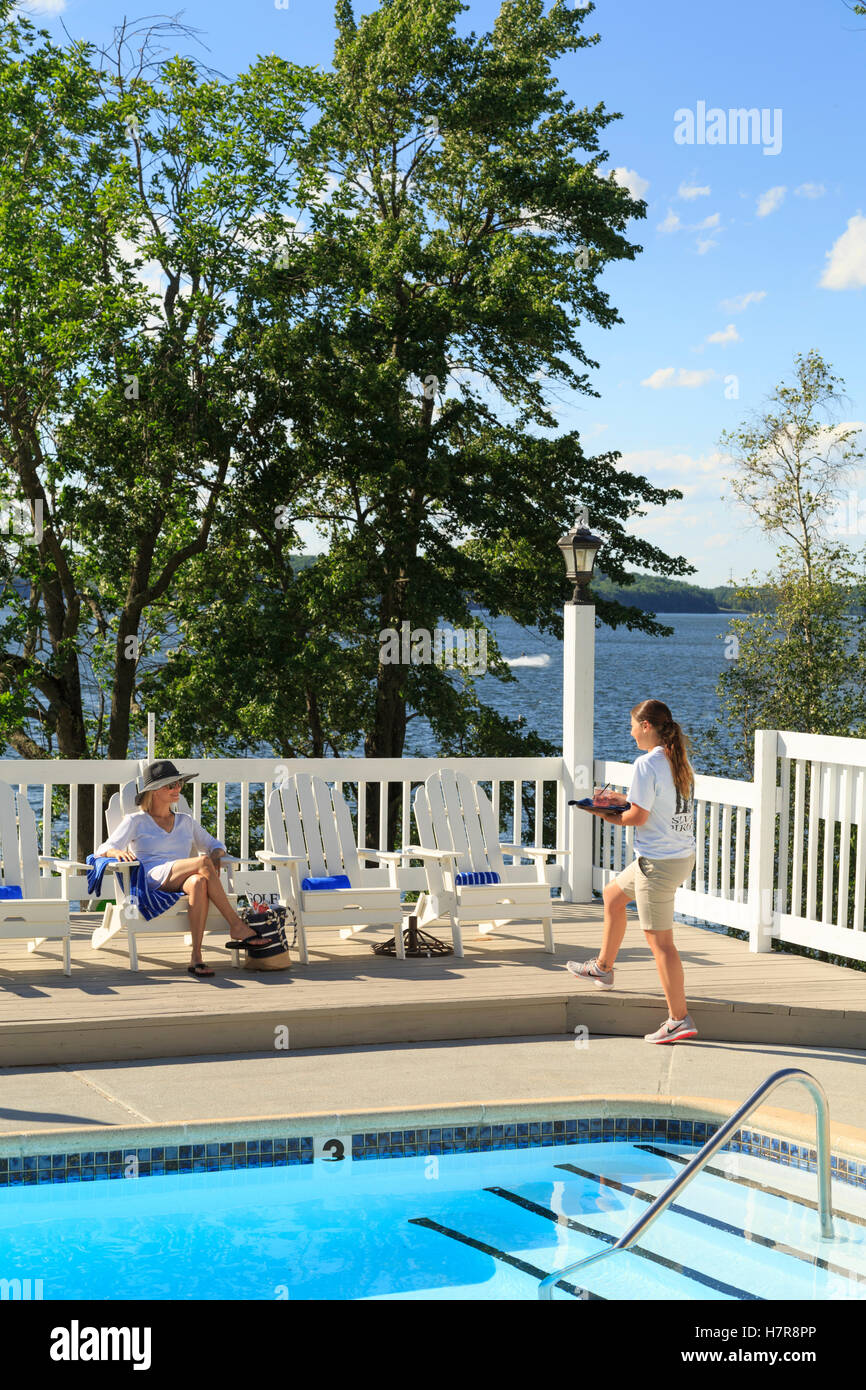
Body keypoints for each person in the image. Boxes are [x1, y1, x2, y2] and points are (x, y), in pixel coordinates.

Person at [566, 700, 698, 1043]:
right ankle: (603, 969)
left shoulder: (645, 763)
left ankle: (678, 1019)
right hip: (679, 856)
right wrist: (617, 799)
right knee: (612, 895)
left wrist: (601, 813)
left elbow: (638, 817)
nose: (629, 732)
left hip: (657, 864)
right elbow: (652, 803)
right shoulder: (675, 756)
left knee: (661, 944)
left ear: (646, 727)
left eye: (632, 726)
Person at [94, 759, 269, 978]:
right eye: (171, 785)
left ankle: (196, 957)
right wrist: (114, 853)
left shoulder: (185, 821)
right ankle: (236, 924)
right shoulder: (136, 821)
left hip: (179, 877)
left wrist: (216, 853)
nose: (177, 789)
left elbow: (216, 845)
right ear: (155, 791)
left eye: (179, 784)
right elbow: (103, 849)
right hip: (151, 877)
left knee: (199, 882)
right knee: (203, 863)